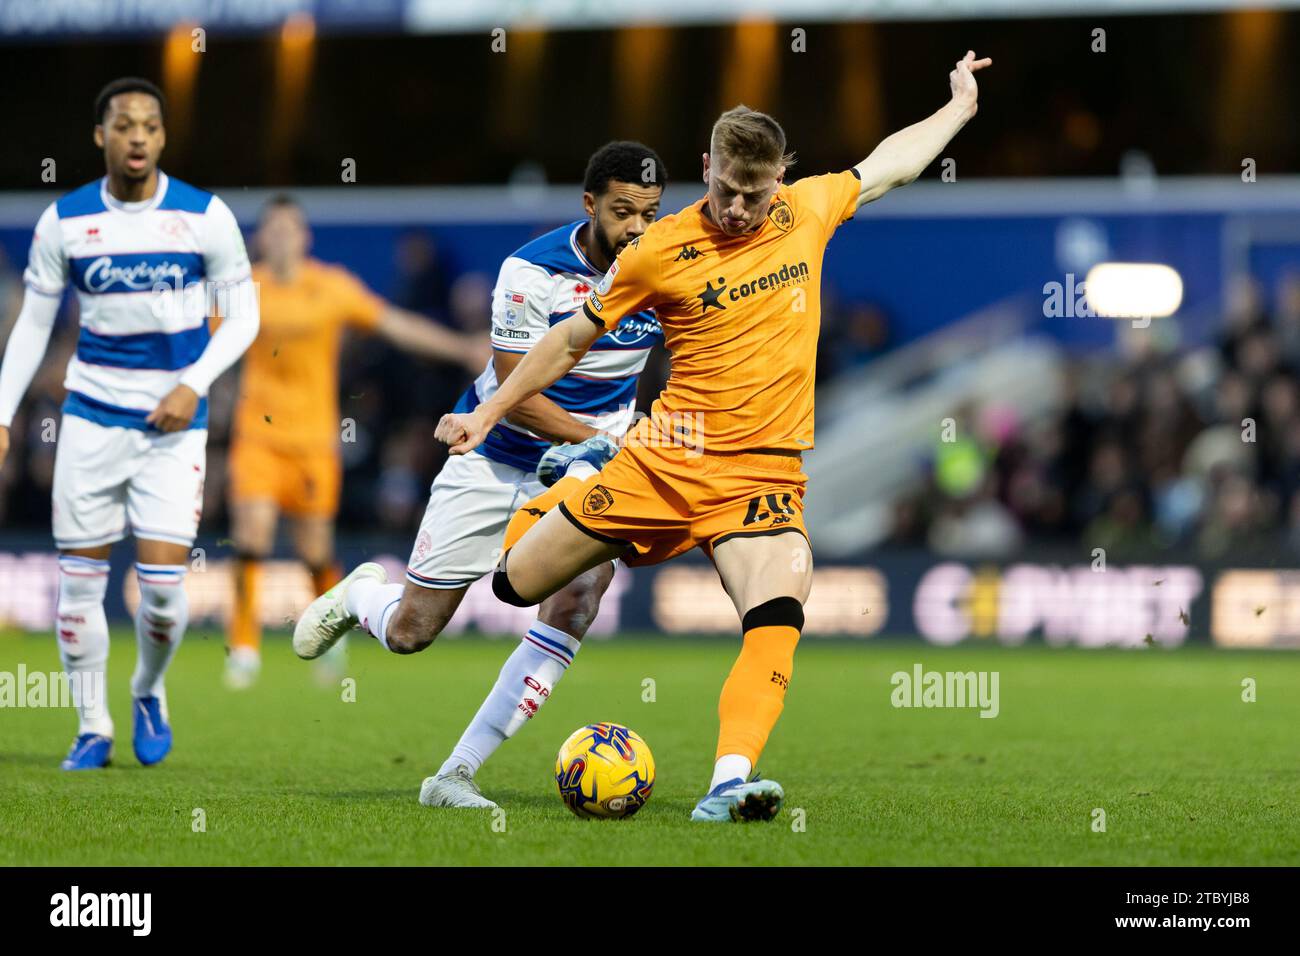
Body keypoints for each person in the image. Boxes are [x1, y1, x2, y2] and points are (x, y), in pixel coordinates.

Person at [430, 52, 993, 822]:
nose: (736, 207)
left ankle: (728, 784)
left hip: (759, 476)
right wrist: (487, 415)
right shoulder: (657, 250)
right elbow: (566, 343)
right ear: (707, 166)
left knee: (779, 612)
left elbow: (888, 164)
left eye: (754, 194)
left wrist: (958, 108)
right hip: (662, 462)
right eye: (725, 188)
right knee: (513, 583)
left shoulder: (809, 210)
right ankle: (570, 480)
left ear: (781, 178)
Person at [293, 142, 668, 808]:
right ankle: (360, 599)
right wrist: (604, 441)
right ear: (589, 206)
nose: (637, 227)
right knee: (412, 633)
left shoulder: (663, 265)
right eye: (622, 212)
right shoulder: (530, 271)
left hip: (585, 475)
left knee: (579, 598)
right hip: (496, 457)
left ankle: (454, 775)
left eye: (649, 212)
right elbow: (515, 395)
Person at [0, 77, 260, 769]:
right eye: (123, 125)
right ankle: (93, 726)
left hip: (174, 429)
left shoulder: (206, 217)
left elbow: (244, 318)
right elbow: (34, 321)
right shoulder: (67, 221)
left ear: (163, 136)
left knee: (166, 601)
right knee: (80, 585)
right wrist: (2, 411)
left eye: (149, 124)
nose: (137, 136)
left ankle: (148, 689)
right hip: (88, 420)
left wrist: (192, 383)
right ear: (101, 136)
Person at [223, 195, 485, 689]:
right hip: (256, 435)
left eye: (290, 229)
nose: (281, 237)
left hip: (313, 441)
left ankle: (332, 628)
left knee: (314, 550)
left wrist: (460, 347)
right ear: (261, 238)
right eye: (272, 229)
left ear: (305, 237)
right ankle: (242, 647)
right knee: (251, 537)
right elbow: (195, 334)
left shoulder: (331, 287)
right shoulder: (243, 289)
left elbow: (395, 324)